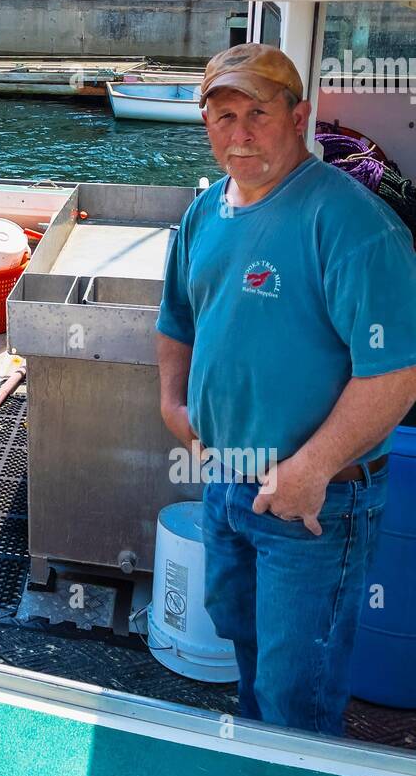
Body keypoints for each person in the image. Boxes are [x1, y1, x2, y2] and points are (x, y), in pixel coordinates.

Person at [155, 42, 416, 736]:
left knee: (295, 691)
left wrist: (310, 469)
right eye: (221, 116)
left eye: (257, 114)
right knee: (243, 646)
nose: (237, 134)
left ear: (297, 115)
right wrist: (172, 403)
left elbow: (393, 375)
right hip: (224, 482)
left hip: (315, 503)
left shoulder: (352, 225)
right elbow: (177, 318)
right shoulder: (204, 210)